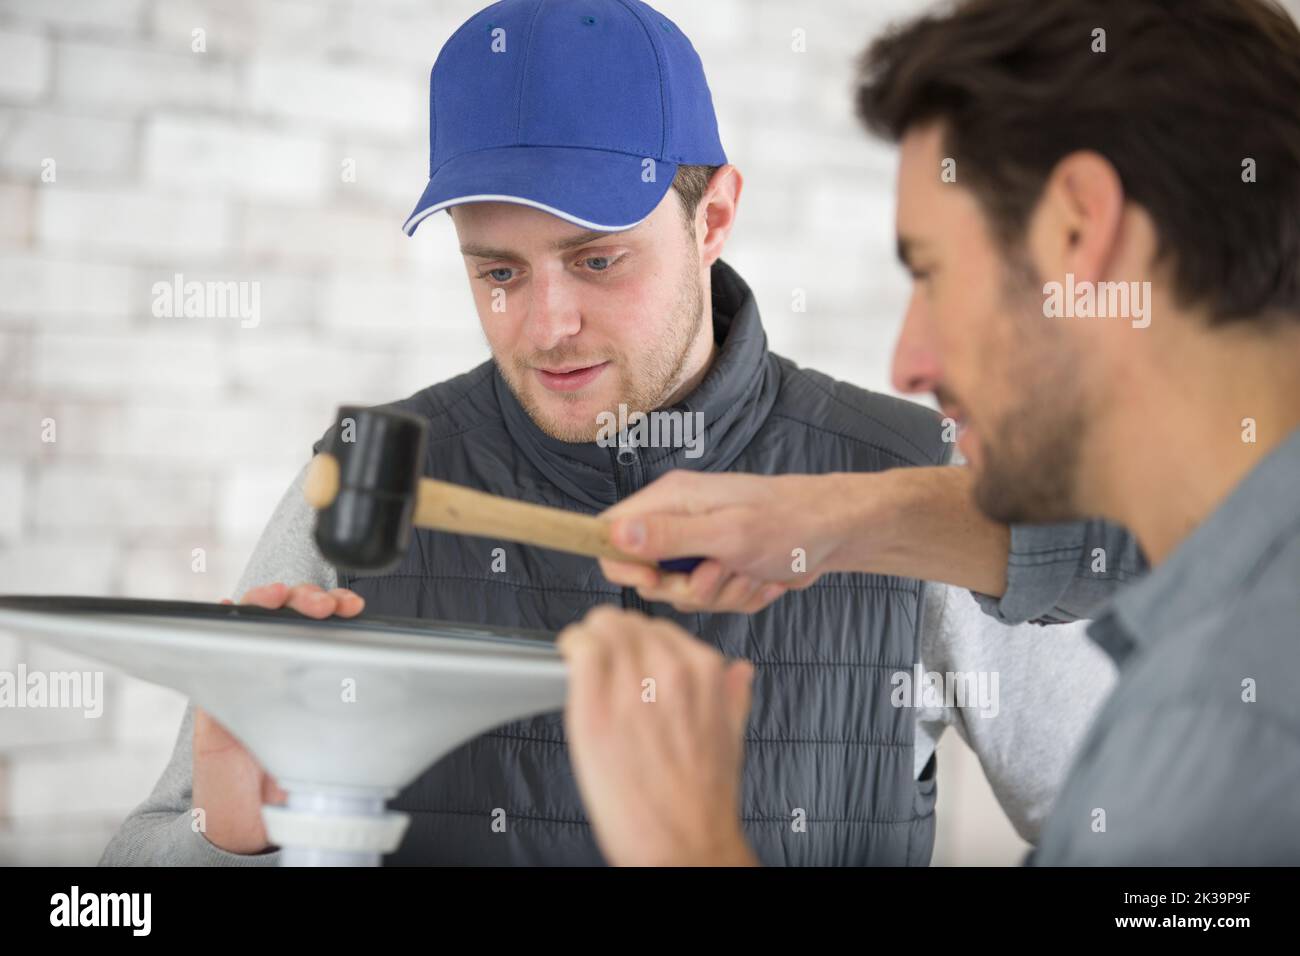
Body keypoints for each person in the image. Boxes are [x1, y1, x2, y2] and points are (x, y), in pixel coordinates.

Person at [100, 0, 1113, 866]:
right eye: (498, 271)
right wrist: (247, 844)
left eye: (595, 262)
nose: (544, 329)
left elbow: (1161, 847)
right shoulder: (364, 474)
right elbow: (126, 875)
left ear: (712, 215)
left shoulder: (917, 486)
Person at [573, 0, 1300, 865]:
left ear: (1081, 229)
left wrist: (684, 843)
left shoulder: (1223, 726)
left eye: (935, 273)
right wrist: (821, 520)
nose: (909, 362)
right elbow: (1120, 544)